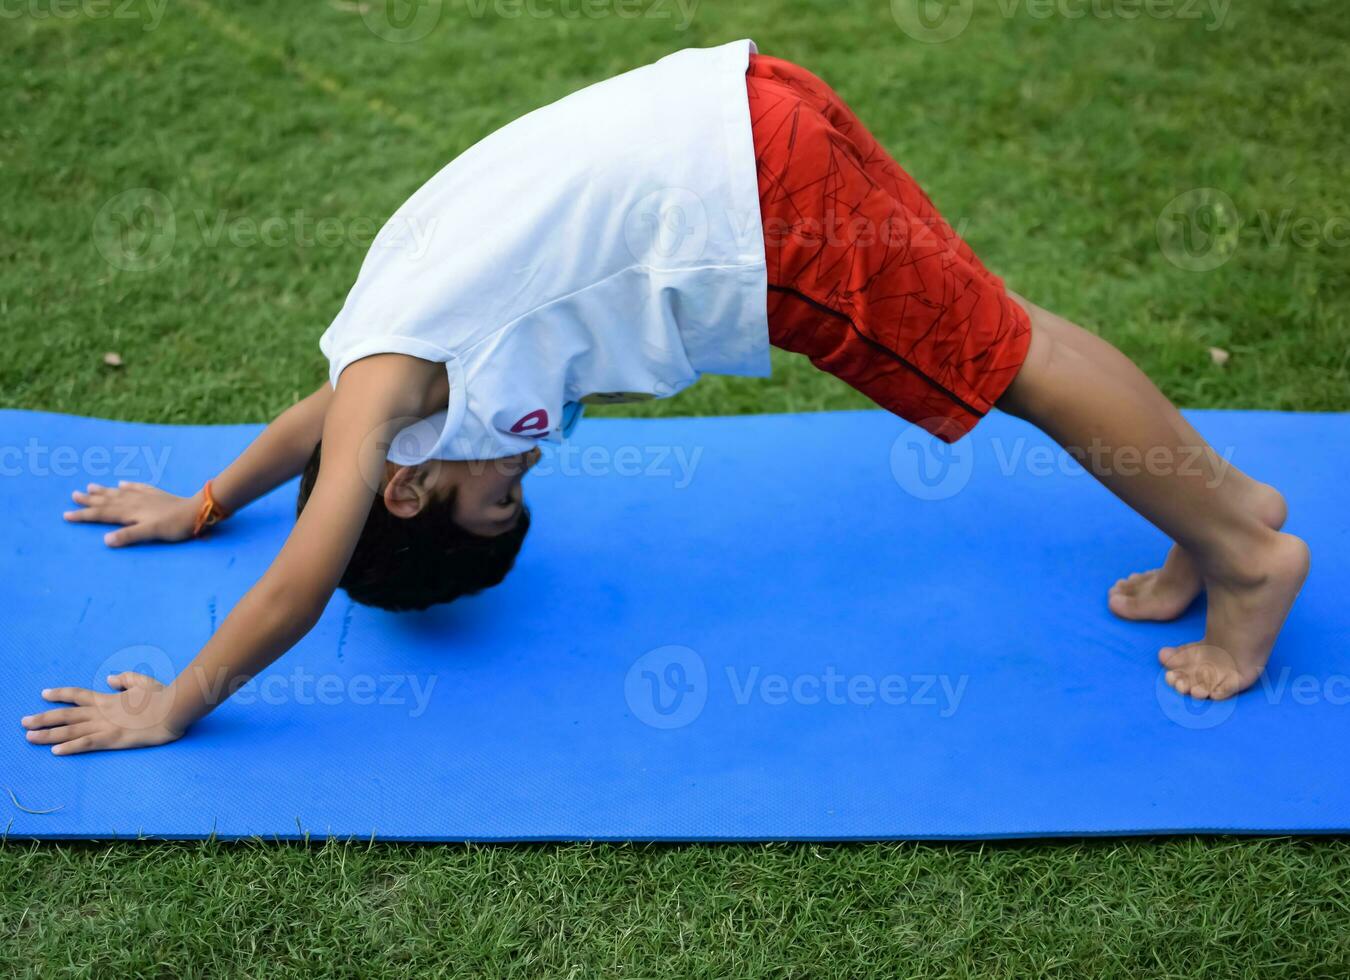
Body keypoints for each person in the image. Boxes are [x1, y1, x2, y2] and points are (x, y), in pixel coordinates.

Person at [23, 41, 1308, 755]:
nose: (520, 476)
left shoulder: (391, 405)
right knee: (999, 330)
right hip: (745, 104)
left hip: (759, 209)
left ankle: (1248, 555)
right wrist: (205, 500)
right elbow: (311, 432)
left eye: (496, 496)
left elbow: (304, 573)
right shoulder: (378, 371)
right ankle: (1223, 504)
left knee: (1004, 358)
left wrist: (173, 702)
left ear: (404, 484)